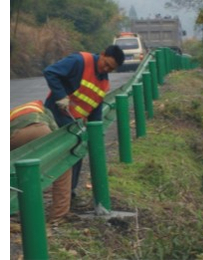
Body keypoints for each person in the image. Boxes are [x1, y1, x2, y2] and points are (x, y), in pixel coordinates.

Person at [43, 45, 125, 198]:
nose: (106, 69)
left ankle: (69, 193)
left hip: (75, 123)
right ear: (101, 54)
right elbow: (50, 72)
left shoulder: (104, 84)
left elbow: (96, 110)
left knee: (76, 153)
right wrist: (61, 96)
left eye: (111, 68)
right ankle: (60, 194)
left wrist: (96, 132)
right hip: (56, 114)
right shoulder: (79, 61)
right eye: (106, 64)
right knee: (54, 155)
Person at [10, 100, 72, 222]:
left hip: (12, 136)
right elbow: (56, 135)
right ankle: (58, 215)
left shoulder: (14, 113)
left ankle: (11, 209)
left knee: (14, 171)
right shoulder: (44, 110)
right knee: (63, 166)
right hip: (40, 130)